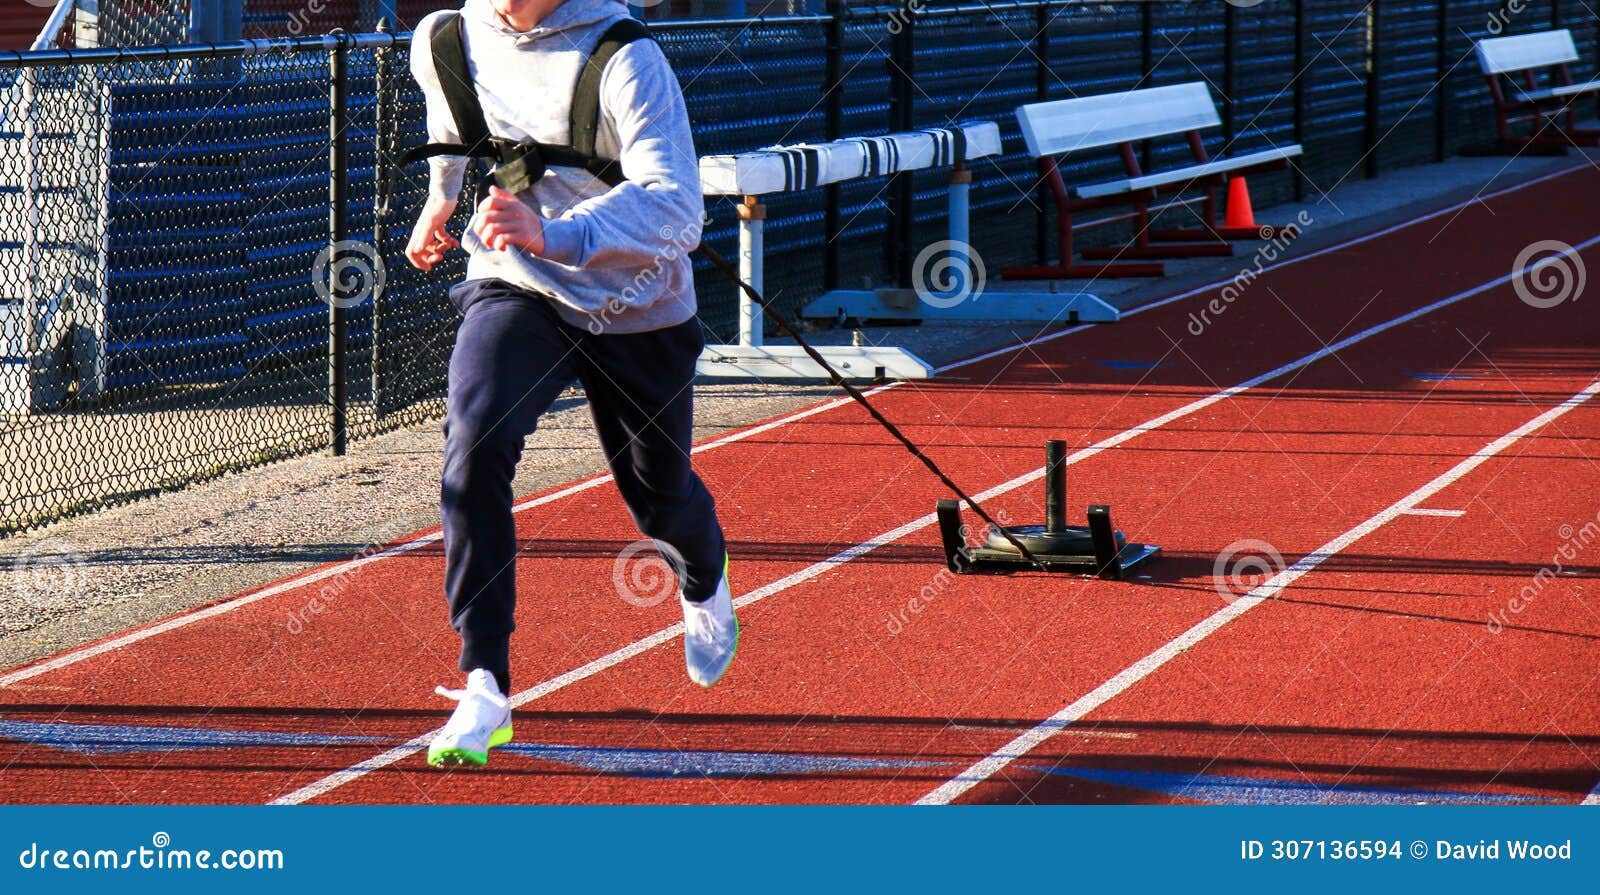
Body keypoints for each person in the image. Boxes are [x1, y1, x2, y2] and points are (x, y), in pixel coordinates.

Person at [405, 0, 737, 768]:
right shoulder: (444, 39)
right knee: (474, 444)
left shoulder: (627, 57)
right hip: (515, 284)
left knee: (661, 496)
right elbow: (453, 121)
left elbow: (679, 206)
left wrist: (561, 233)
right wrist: (441, 199)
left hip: (635, 298)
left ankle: (704, 574)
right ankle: (484, 680)